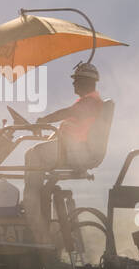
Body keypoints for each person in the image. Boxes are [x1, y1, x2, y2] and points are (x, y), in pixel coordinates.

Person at [22, 62, 104, 226]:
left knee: (33, 154)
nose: (73, 83)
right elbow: (72, 129)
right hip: (75, 149)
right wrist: (50, 137)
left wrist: (43, 121)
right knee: (37, 151)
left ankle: (32, 207)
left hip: (77, 152)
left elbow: (66, 113)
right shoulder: (89, 102)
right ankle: (37, 203)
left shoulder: (90, 103)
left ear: (85, 81)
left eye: (76, 80)